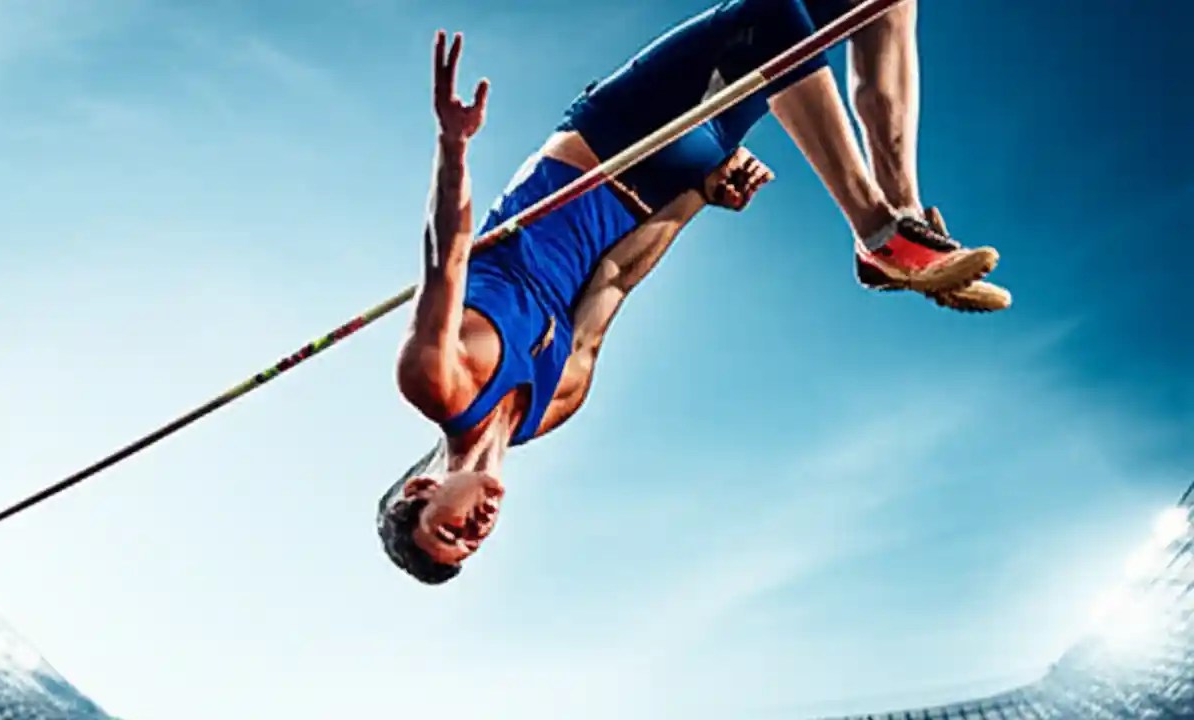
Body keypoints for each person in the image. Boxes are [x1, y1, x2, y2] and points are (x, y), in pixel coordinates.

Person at [379, 0, 1010, 584]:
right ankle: (885, 235)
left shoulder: (437, 381)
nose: (477, 529)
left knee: (811, 10)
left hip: (607, 141)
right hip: (671, 173)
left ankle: (895, 218)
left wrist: (453, 147)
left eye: (451, 530)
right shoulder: (553, 407)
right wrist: (699, 197)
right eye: (473, 544)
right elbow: (616, 279)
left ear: (420, 492)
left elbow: (447, 253)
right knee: (772, 26)